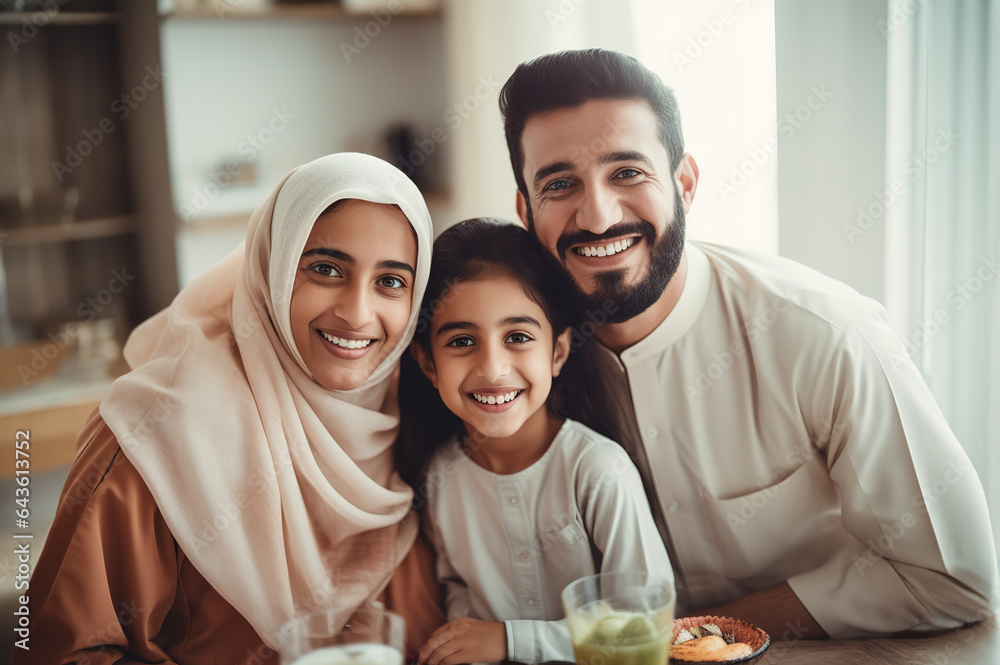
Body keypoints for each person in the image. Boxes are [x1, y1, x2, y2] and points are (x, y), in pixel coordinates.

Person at [498, 48, 999, 640]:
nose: (600, 216)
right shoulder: (515, 361)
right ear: (526, 212)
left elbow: (955, 578)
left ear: (685, 183)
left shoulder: (828, 334)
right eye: (560, 184)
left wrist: (697, 636)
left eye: (628, 172)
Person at [17, 153, 445, 665]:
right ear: (275, 267)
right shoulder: (158, 430)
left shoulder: (427, 413)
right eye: (326, 268)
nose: (357, 313)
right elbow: (59, 652)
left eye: (391, 281)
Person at [395, 219, 671, 665]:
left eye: (518, 337)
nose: (492, 368)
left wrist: (509, 641)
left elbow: (646, 623)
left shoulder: (599, 470)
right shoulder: (437, 477)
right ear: (428, 364)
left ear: (558, 352)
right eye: (462, 341)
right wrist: (460, 638)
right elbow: (458, 587)